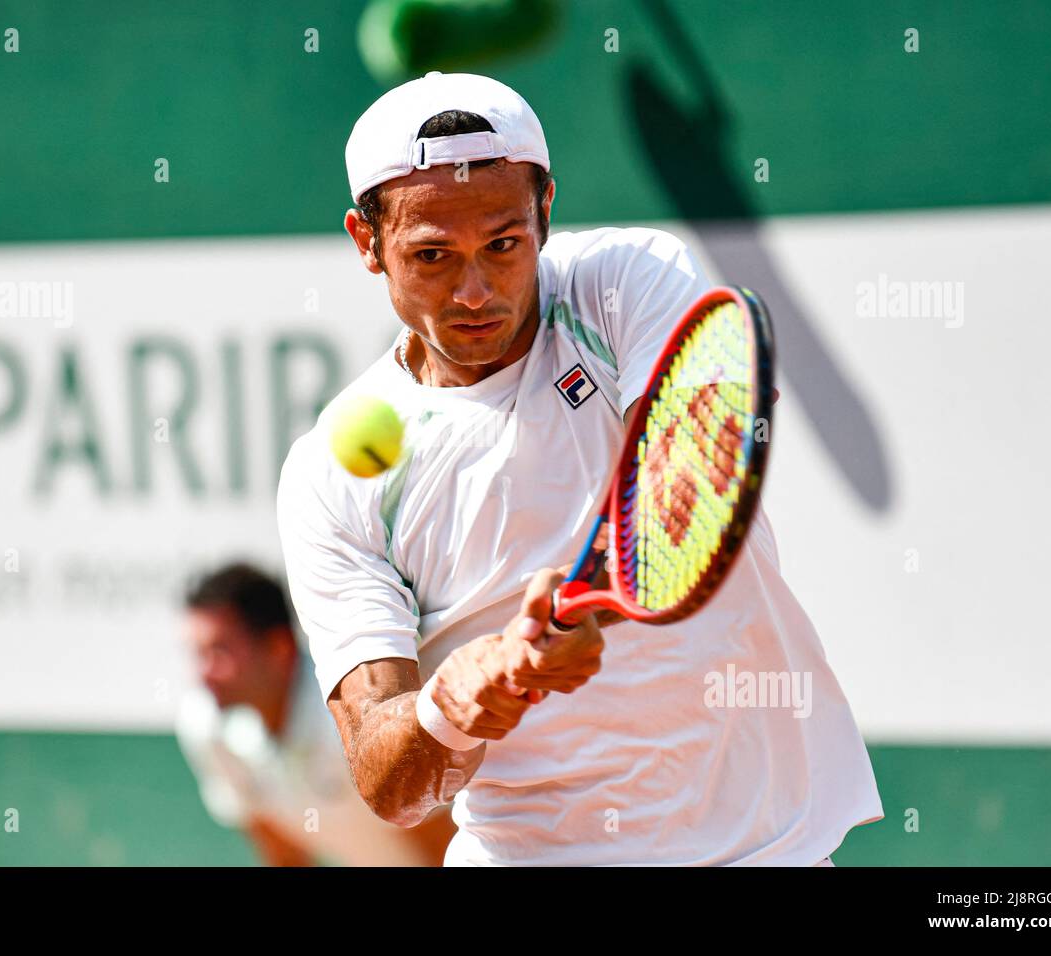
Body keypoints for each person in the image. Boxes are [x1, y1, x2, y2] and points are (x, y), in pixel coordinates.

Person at [276, 72, 882, 865]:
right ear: (366, 242)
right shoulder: (331, 473)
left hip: (766, 850)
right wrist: (468, 694)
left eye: (504, 243)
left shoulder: (626, 282)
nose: (475, 291)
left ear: (546, 211)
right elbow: (390, 783)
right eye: (431, 256)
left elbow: (681, 501)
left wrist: (570, 615)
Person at [175, 562, 455, 866]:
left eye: (220, 651)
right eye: (198, 653)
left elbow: (445, 846)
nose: (203, 674)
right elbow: (283, 850)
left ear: (279, 648)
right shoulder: (205, 728)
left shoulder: (353, 727)